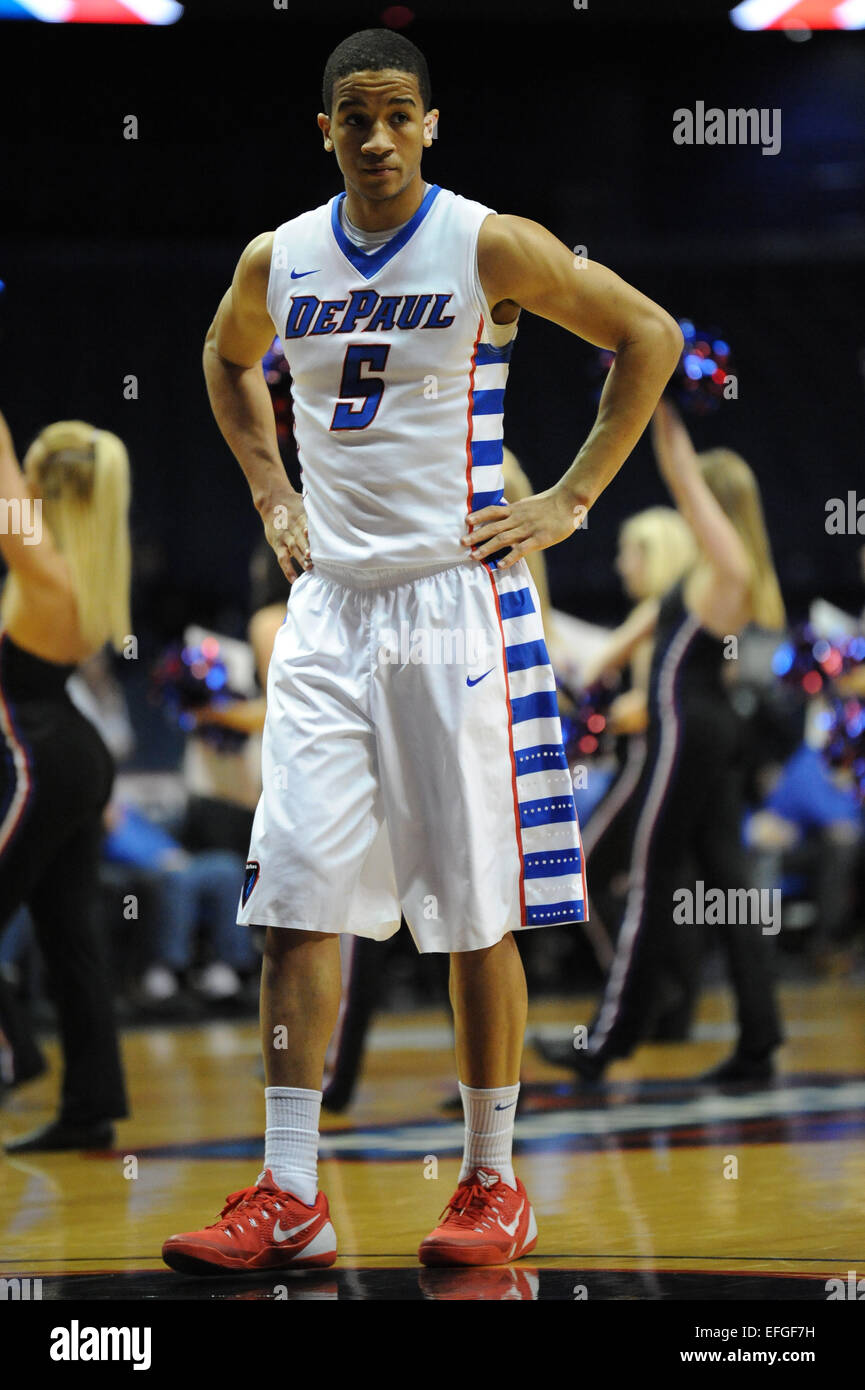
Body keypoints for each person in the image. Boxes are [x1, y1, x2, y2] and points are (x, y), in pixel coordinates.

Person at [161, 27, 682, 1275]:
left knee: (468, 912)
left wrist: (568, 498)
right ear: (324, 128)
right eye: (356, 116)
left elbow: (646, 337)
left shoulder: (486, 241)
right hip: (332, 612)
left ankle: (494, 1180)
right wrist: (268, 492)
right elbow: (226, 366)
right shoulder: (275, 257)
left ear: (431, 125)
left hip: (455, 603)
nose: (378, 135)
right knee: (292, 896)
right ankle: (291, 1194)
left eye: (399, 114)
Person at [541, 401, 786, 1085]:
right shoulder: (715, 578)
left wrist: (658, 394)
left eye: (697, 504)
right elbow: (629, 644)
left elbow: (679, 474)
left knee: (647, 881)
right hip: (708, 733)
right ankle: (759, 1036)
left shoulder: (726, 571)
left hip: (684, 734)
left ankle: (609, 1040)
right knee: (730, 888)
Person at [0, 411, 131, 1150]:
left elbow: (3, 491)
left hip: (41, 758)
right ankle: (89, 1109)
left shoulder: (45, 569)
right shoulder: (85, 568)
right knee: (69, 938)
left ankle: (18, 1054)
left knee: (67, 936)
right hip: (74, 759)